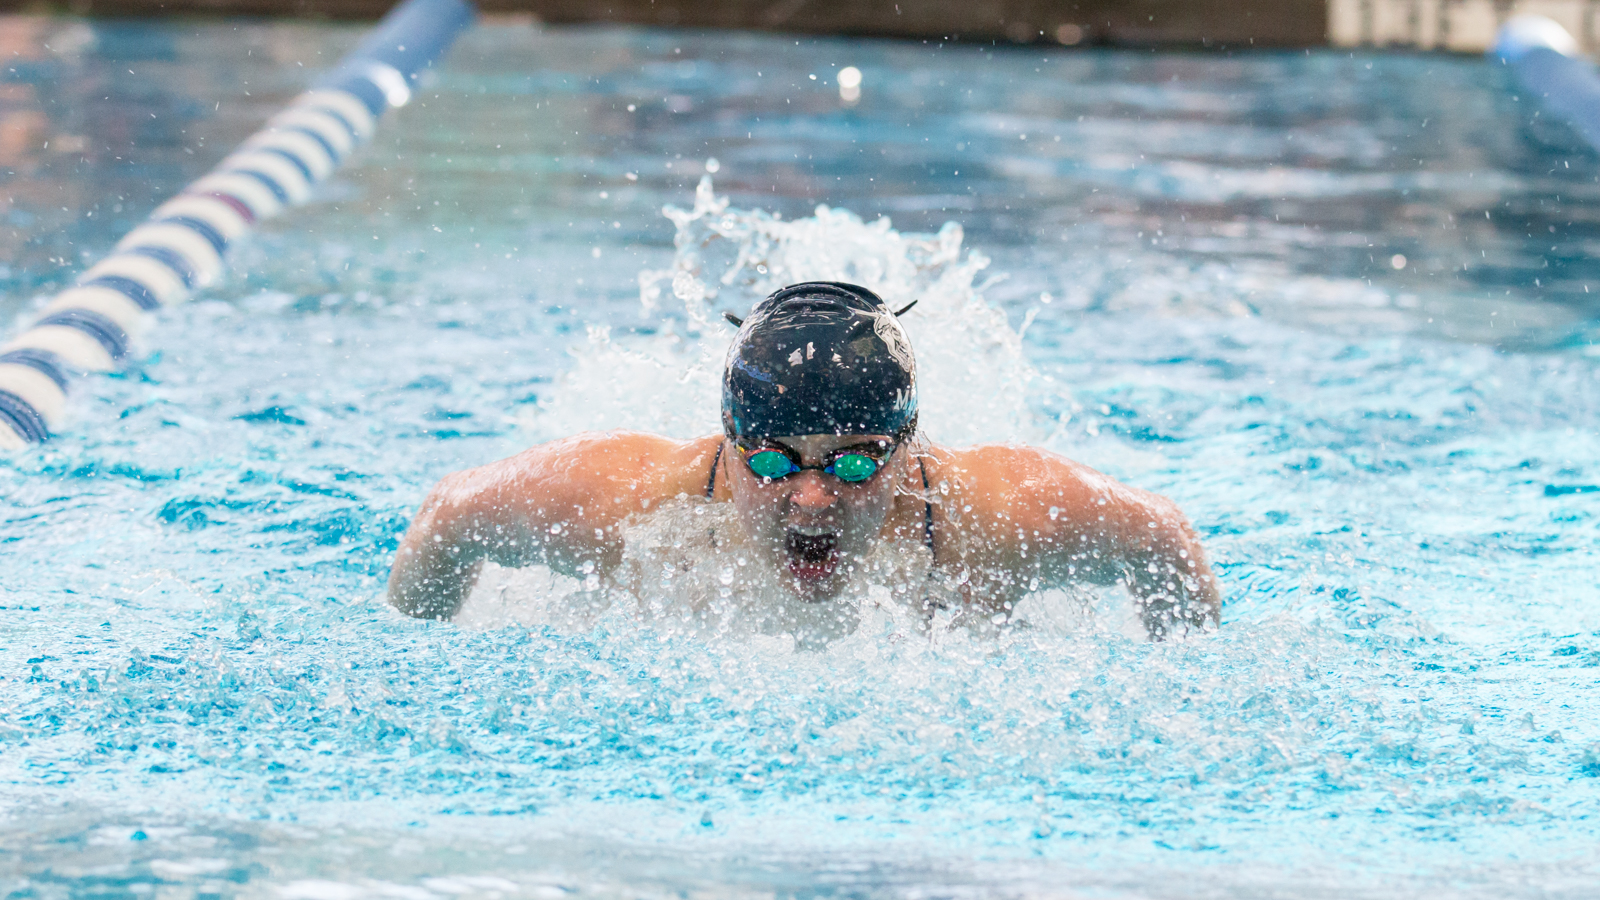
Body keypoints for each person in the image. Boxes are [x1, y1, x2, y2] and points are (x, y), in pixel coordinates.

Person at [388, 281, 1220, 639]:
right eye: (777, 465)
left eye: (854, 464)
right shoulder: (635, 511)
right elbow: (448, 515)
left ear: (907, 450)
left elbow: (1163, 538)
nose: (814, 501)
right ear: (727, 444)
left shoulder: (995, 521)